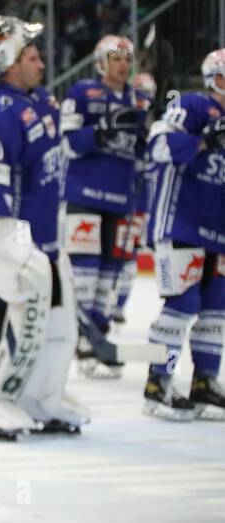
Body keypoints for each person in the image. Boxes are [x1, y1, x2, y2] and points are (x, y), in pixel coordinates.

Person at [0, 16, 87, 439]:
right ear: (8, 63)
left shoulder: (41, 103)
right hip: (1, 242)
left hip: (45, 241)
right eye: (31, 56)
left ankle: (41, 400)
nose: (41, 62)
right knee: (9, 323)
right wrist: (14, 249)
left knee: (58, 330)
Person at [141, 49, 225, 420]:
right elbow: (158, 147)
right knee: (182, 306)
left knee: (215, 312)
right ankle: (158, 382)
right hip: (181, 222)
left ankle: (205, 382)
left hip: (218, 231)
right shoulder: (192, 105)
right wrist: (205, 139)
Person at [59, 35, 145, 379]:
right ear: (100, 62)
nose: (123, 64)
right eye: (116, 57)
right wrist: (102, 130)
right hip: (86, 194)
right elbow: (69, 144)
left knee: (111, 274)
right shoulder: (82, 92)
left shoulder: (138, 100)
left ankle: (99, 336)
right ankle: (80, 337)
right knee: (85, 271)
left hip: (122, 198)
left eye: (127, 58)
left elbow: (141, 153)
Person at [111, 71, 157, 327]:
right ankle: (109, 302)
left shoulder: (156, 120)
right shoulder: (125, 116)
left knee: (128, 251)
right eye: (139, 95)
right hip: (120, 193)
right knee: (115, 251)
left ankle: (117, 303)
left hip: (140, 198)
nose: (142, 100)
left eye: (146, 95)